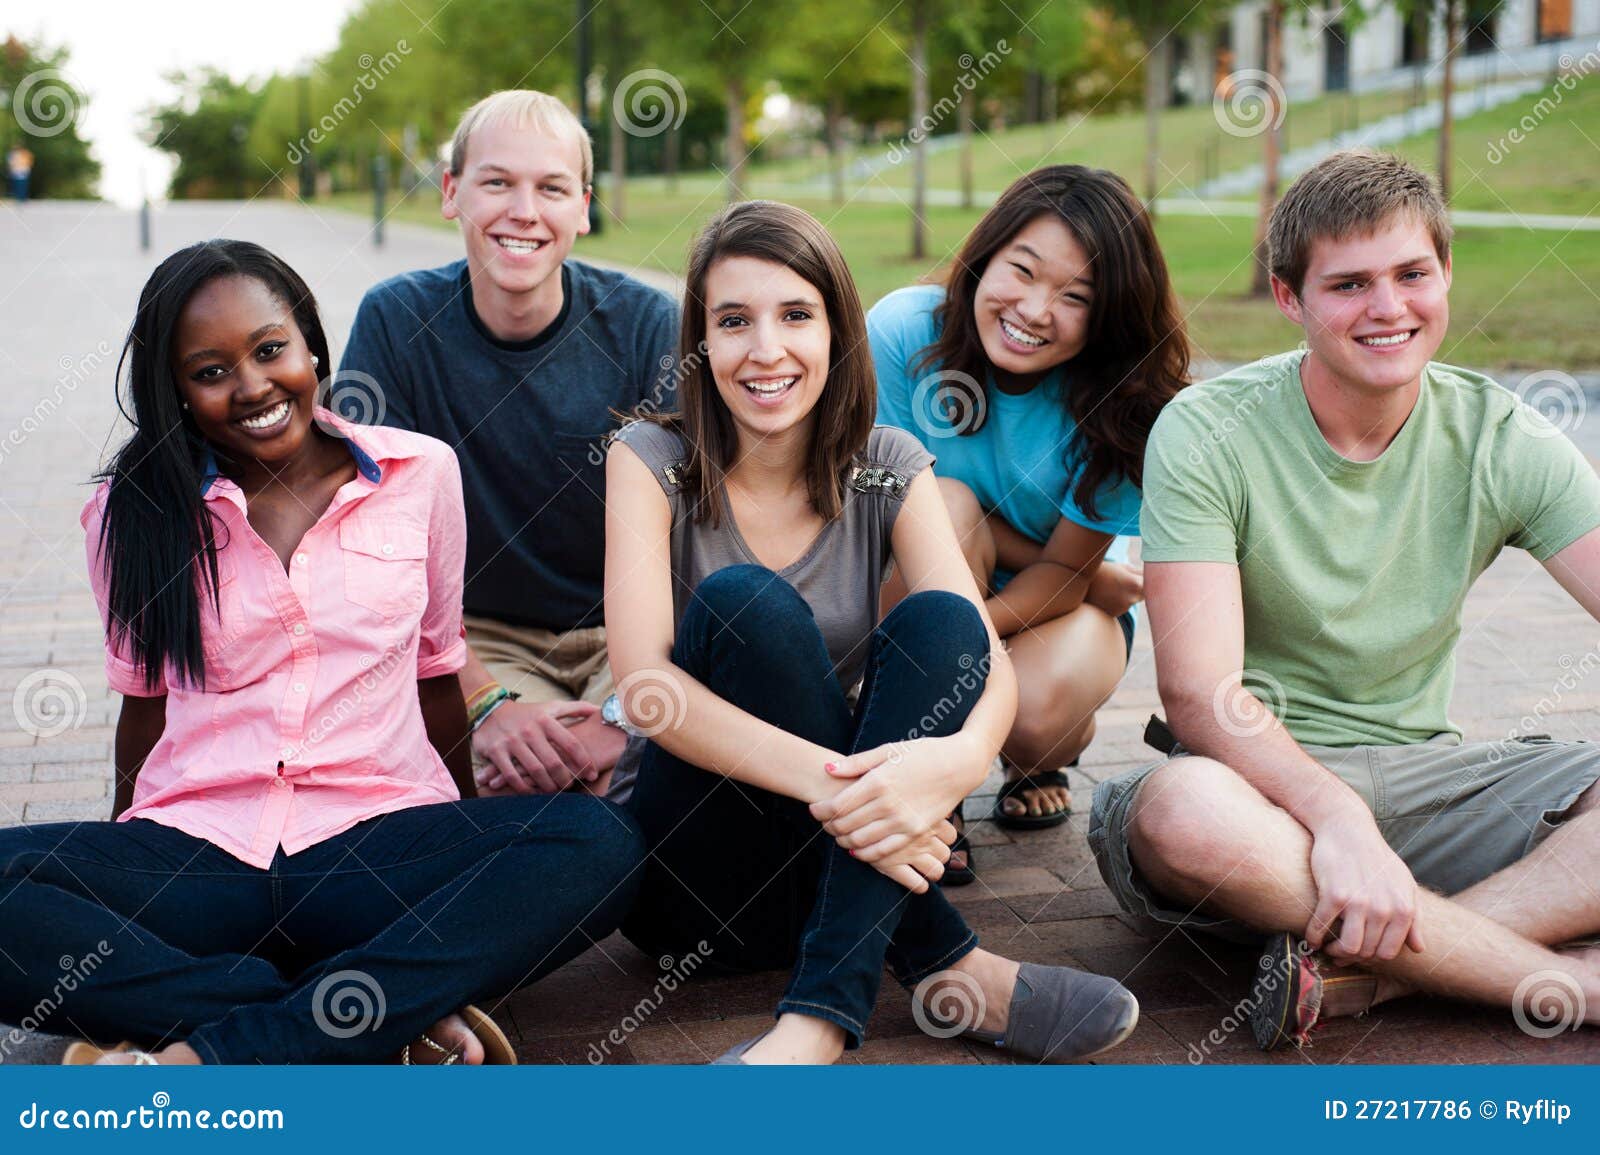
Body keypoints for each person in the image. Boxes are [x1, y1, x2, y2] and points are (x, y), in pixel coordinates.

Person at [0, 240, 642, 1065]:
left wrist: (469, 835)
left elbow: (436, 671)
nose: (254, 386)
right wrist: (125, 886)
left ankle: (203, 1036)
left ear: (311, 344)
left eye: (271, 349)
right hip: (201, 849)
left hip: (373, 846)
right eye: (210, 370)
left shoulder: (421, 476)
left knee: (597, 844)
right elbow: (146, 706)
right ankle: (359, 1015)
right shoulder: (133, 514)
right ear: (179, 394)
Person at [605, 200, 1140, 1065]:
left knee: (939, 620)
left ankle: (814, 1024)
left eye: (795, 316)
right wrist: (867, 796)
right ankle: (947, 962)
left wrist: (951, 770)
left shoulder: (888, 463)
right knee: (748, 605)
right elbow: (646, 692)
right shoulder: (650, 461)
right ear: (699, 342)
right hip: (692, 884)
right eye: (733, 320)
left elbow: (979, 659)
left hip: (835, 879)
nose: (765, 349)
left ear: (836, 330)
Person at [1090, 150, 1600, 1048]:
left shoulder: (1503, 435)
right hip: (1255, 795)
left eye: (1412, 273)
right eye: (1350, 283)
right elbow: (1201, 697)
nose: (1390, 308)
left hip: (1433, 783)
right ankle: (1555, 981)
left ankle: (1365, 978)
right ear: (1290, 299)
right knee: (1178, 811)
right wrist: (1338, 817)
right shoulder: (1209, 430)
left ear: (1446, 274)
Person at [340, 89, 678, 802]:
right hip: (478, 639)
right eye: (497, 182)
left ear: (583, 207)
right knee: (507, 781)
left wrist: (624, 717)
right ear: (452, 192)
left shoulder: (648, 325)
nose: (524, 210)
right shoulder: (396, 322)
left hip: (635, 631)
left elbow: (706, 532)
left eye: (551, 187)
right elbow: (367, 551)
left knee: (673, 772)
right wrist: (486, 705)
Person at [868, 165, 1188, 877]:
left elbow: (1062, 576)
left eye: (1075, 297)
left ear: (1107, 315)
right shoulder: (904, 332)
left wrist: (964, 634)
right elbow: (892, 504)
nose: (1036, 309)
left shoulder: (1121, 404)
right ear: (986, 256)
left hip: (1052, 602)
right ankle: (927, 783)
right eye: (1023, 270)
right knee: (940, 506)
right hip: (922, 565)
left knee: (1036, 715)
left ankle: (1038, 757)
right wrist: (1089, 573)